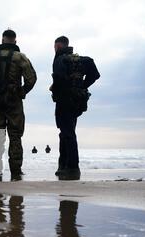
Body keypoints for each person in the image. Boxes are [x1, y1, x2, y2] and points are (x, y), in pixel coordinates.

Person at [0, 29, 37, 179]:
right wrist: (22, 91)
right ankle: (16, 172)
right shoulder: (20, 57)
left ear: (2, 39)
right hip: (14, 101)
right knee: (15, 136)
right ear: (15, 41)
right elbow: (31, 79)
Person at [50, 36, 100, 180]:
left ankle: (72, 167)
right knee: (66, 131)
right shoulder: (82, 60)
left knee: (68, 133)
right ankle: (64, 166)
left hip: (64, 101)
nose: (54, 50)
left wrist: (56, 89)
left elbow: (59, 77)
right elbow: (95, 74)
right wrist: (82, 86)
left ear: (58, 46)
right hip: (77, 101)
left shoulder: (59, 59)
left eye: (54, 47)